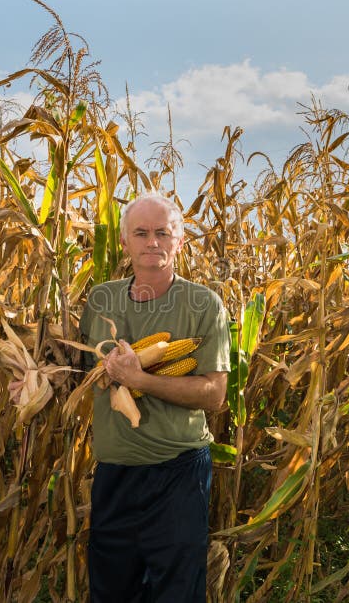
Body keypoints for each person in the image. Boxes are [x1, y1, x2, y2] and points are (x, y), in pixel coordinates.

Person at [79, 192, 230, 602]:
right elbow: (81, 371)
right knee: (112, 591)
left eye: (163, 233)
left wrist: (140, 380)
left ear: (179, 241)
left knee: (177, 593)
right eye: (141, 233)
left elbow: (215, 394)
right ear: (124, 242)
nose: (153, 243)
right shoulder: (100, 299)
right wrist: (36, 379)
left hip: (178, 472)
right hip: (115, 472)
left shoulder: (203, 304)